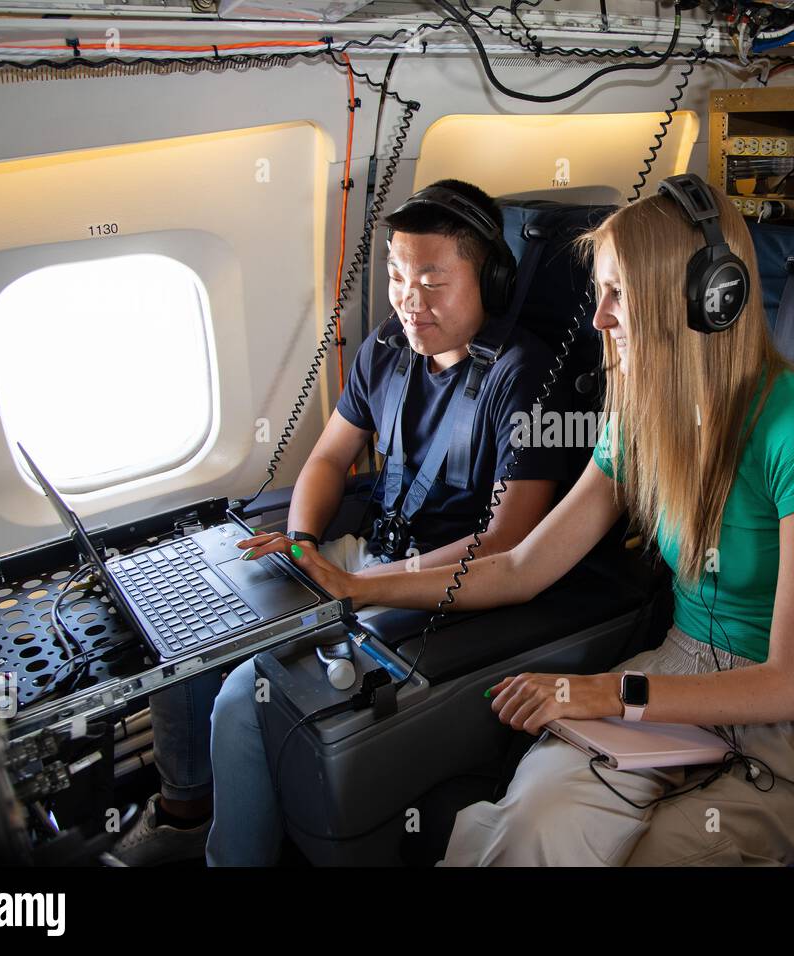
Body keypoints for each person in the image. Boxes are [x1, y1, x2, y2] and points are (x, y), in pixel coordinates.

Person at [246, 175, 794, 866]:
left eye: (619, 294)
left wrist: (602, 691)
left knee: (664, 851)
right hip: (679, 668)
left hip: (786, 716)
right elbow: (521, 564)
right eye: (598, 292)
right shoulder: (637, 418)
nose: (599, 318)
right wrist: (359, 586)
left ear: (705, 299)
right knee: (537, 815)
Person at [114, 179, 568, 865]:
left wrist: (364, 582)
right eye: (395, 277)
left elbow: (505, 542)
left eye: (434, 281)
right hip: (365, 552)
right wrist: (302, 546)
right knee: (194, 621)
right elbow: (329, 456)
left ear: (490, 279)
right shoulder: (389, 346)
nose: (410, 301)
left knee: (245, 696)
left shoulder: (524, 377)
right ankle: (183, 811)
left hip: (439, 585)